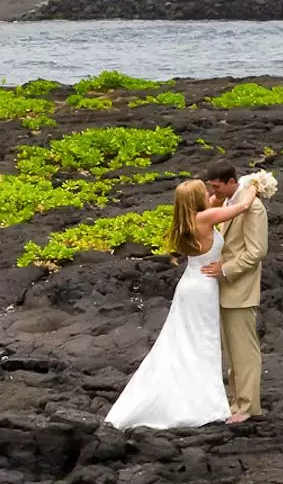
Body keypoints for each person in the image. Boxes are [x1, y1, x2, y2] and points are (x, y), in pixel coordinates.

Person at [104, 178, 260, 430]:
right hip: (203, 287)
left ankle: (184, 392)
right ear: (197, 198)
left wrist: (218, 195)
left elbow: (215, 202)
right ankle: (202, 402)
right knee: (202, 341)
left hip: (190, 284)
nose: (209, 193)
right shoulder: (206, 218)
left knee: (182, 340)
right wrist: (253, 187)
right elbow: (241, 208)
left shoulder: (187, 219)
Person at [202, 162, 269, 423]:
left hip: (240, 288)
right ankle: (237, 401)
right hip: (225, 288)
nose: (214, 191)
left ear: (231, 181)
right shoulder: (230, 201)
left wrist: (225, 269)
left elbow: (256, 251)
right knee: (232, 350)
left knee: (244, 350)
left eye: (217, 186)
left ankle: (248, 406)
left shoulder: (252, 207)